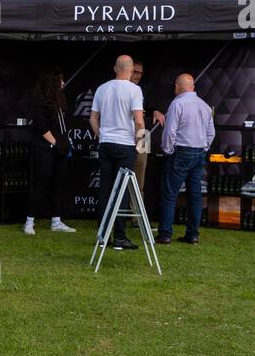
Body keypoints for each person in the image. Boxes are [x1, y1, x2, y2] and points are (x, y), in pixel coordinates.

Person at [89, 55, 145, 251]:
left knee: (105, 190)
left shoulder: (102, 88)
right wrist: (140, 144)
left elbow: (93, 118)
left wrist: (101, 135)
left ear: (115, 68)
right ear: (130, 70)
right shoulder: (134, 89)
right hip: (124, 145)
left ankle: (102, 235)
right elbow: (139, 121)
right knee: (121, 191)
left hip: (106, 144)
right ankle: (120, 238)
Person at [155, 73, 215, 246]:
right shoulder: (204, 106)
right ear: (193, 87)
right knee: (195, 196)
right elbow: (212, 133)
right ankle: (193, 235)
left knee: (169, 194)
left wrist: (168, 150)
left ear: (177, 86)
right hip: (198, 153)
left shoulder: (177, 103)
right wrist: (204, 147)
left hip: (180, 152)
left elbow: (169, 131)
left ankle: (165, 235)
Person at [24, 69, 76, 235]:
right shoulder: (40, 100)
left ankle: (56, 221)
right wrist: (54, 142)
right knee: (40, 183)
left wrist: (63, 143)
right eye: (60, 80)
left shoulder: (60, 100)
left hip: (60, 147)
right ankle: (29, 222)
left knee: (58, 184)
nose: (63, 83)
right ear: (52, 81)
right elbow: (40, 125)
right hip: (44, 147)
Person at [129, 60, 167, 194]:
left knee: (140, 176)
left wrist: (154, 111)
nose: (138, 75)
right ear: (127, 69)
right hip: (125, 134)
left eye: (141, 73)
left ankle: (136, 213)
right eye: (135, 72)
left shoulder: (140, 89)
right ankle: (119, 211)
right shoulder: (118, 88)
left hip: (142, 134)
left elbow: (145, 107)